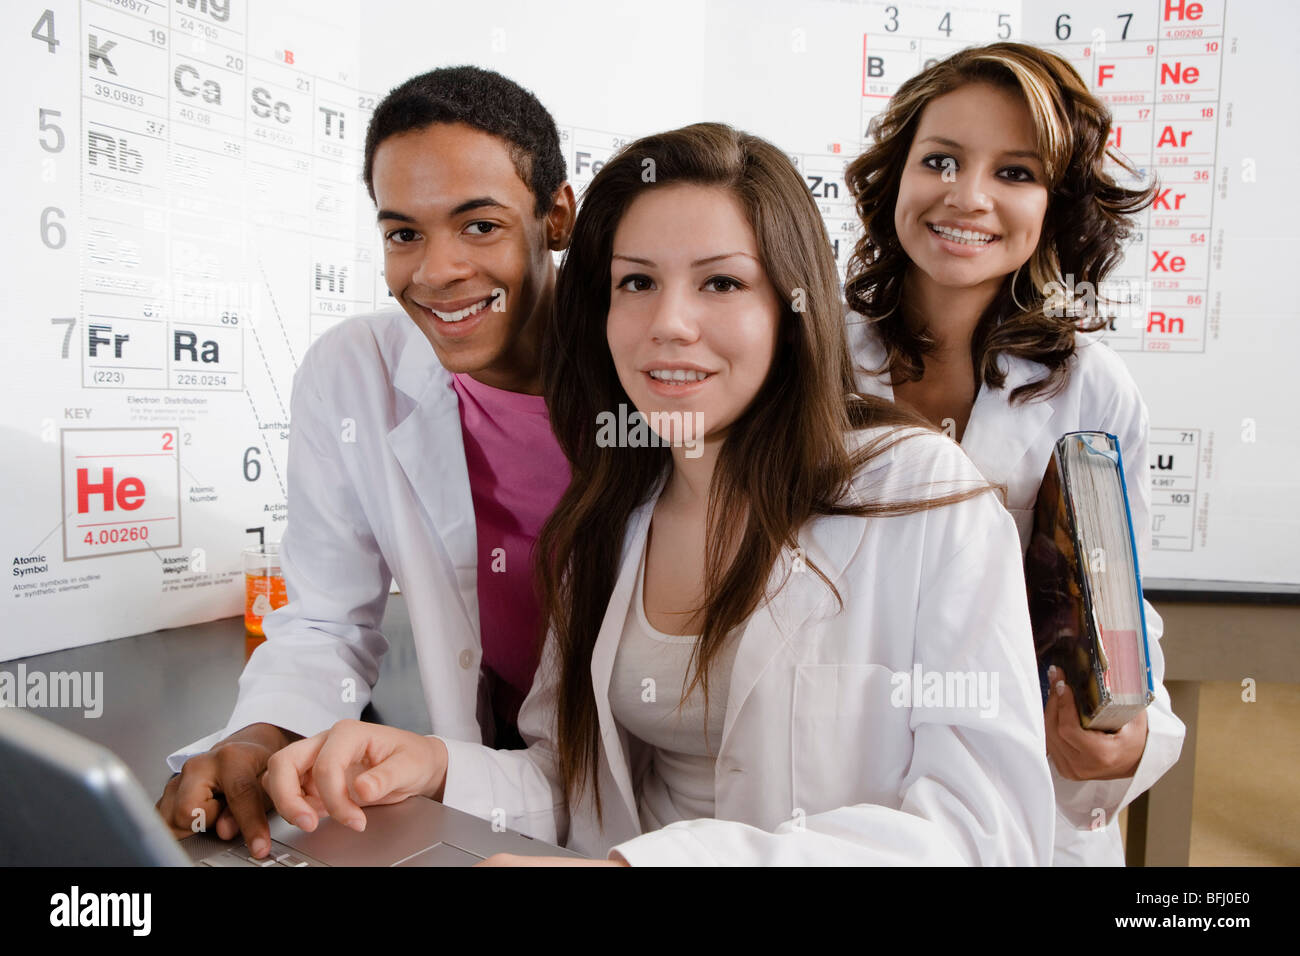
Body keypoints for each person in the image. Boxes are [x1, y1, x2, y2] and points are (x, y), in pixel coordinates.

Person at [261, 122, 1056, 865]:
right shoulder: (608, 517)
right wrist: (436, 767)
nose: (669, 323)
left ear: (792, 306)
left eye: (720, 283)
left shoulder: (920, 493)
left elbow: (988, 830)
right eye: (636, 282)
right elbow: (571, 784)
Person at [154, 66, 577, 860]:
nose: (437, 272)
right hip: (478, 779)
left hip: (630, 784)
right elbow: (326, 619)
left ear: (555, 215)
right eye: (403, 233)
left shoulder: (654, 376)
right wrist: (256, 735)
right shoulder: (351, 373)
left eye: (479, 225)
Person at [840, 42, 1186, 866]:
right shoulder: (806, 356)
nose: (968, 197)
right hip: (839, 779)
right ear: (896, 175)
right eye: (941, 160)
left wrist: (1131, 739)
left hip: (1021, 793)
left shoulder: (1093, 392)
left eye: (1016, 173)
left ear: (1057, 205)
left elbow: (1117, 612)